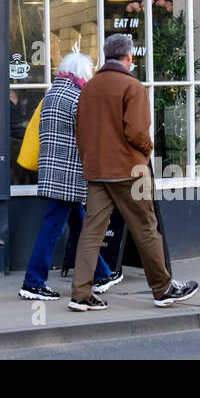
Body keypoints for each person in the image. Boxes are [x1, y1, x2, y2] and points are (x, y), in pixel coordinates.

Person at [68, 33, 199, 311]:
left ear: (106, 56)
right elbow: (137, 132)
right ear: (129, 57)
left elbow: (80, 133)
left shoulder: (88, 88)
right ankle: (162, 289)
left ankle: (80, 294)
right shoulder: (132, 86)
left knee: (92, 232)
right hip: (129, 170)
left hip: (96, 170)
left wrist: (89, 159)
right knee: (146, 229)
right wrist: (147, 149)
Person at [18, 52, 123, 302]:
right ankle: (33, 282)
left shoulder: (52, 93)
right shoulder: (78, 97)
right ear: (83, 73)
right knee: (52, 228)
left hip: (52, 169)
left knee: (80, 223)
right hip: (69, 172)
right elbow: (93, 134)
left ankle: (101, 273)